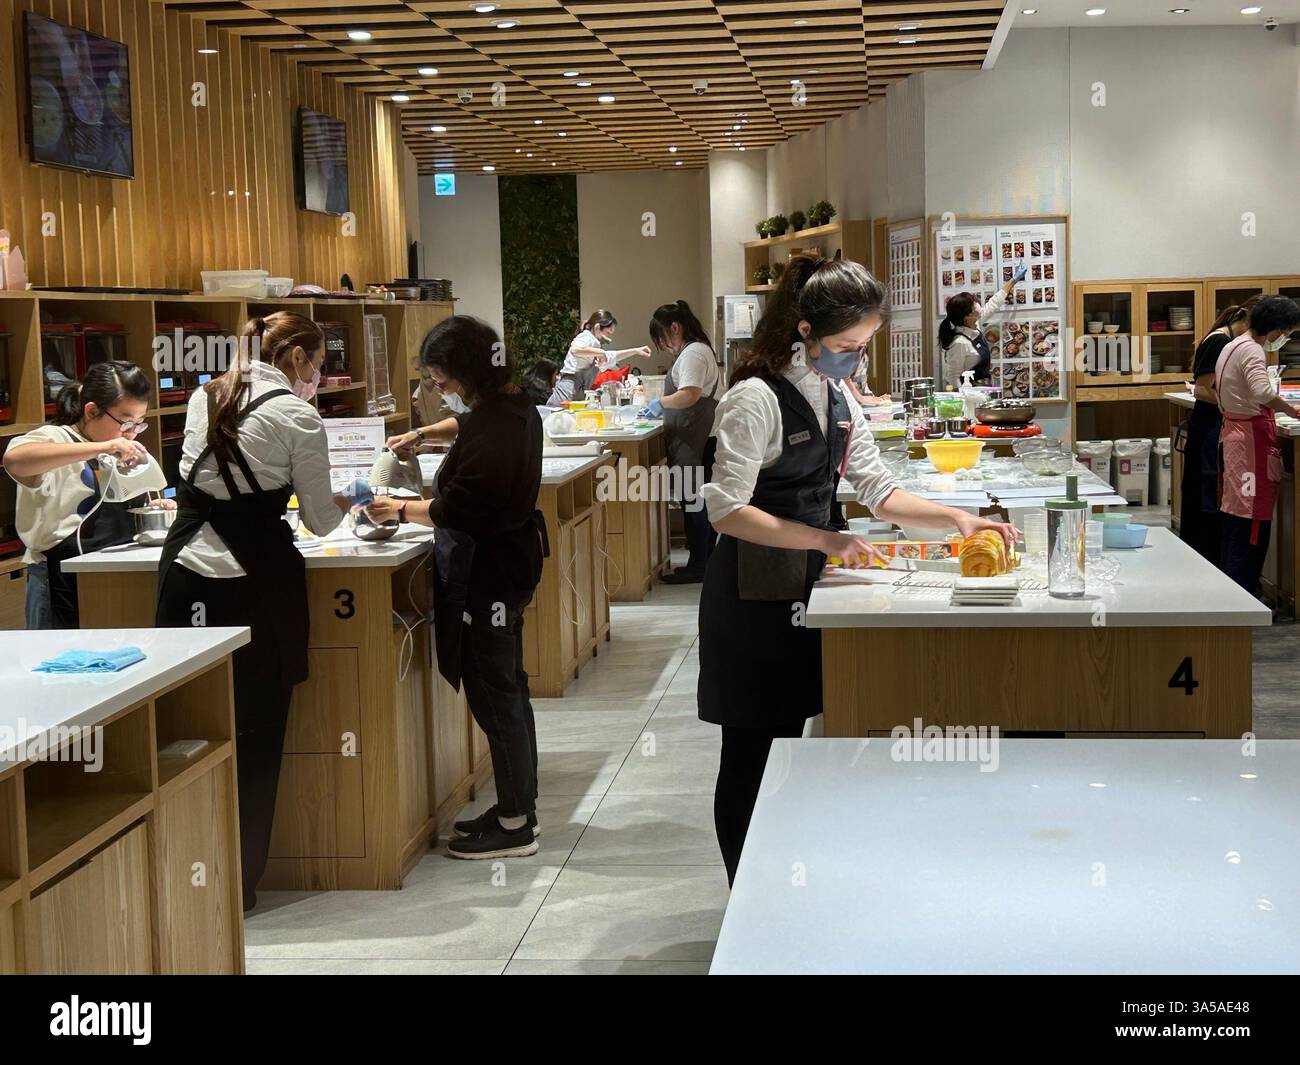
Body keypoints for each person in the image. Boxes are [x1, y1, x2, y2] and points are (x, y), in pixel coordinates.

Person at [699, 254, 1016, 886]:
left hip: (811, 591)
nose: (856, 360)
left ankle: (790, 878)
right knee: (755, 750)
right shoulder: (753, 399)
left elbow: (877, 489)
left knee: (804, 743)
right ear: (805, 330)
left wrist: (954, 519)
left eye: (864, 346)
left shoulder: (837, 392)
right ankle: (749, 897)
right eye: (848, 345)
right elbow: (726, 510)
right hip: (753, 596)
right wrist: (822, 537)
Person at [154, 313, 351, 911]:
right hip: (255, 584)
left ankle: (184, 878)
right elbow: (319, 519)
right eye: (316, 365)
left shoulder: (202, 396)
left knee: (184, 727)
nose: (317, 377)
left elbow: (201, 480)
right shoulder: (297, 415)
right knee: (257, 733)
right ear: (295, 359)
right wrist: (354, 498)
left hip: (185, 573)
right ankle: (240, 884)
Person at [365, 316, 546, 860]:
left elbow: (456, 509)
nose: (440, 393)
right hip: (507, 571)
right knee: (506, 687)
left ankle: (516, 823)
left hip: (490, 577)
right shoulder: (509, 406)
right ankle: (519, 805)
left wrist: (397, 507)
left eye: (443, 381)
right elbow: (466, 428)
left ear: (467, 373)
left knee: (495, 694)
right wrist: (421, 434)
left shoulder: (494, 429)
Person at [3, 361, 166, 628]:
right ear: (91, 411)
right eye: (126, 422)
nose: (131, 432)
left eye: (139, 423)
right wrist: (100, 447)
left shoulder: (118, 448)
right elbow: (15, 460)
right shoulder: (56, 437)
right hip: (59, 582)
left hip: (110, 583)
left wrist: (153, 510)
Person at [1214, 295, 1300, 594]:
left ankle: (1234, 589)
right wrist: (1291, 410)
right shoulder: (1252, 350)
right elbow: (1263, 392)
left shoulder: (1233, 344)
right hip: (1249, 446)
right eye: (1287, 331)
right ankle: (1244, 592)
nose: (1286, 338)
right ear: (1275, 328)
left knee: (1236, 518)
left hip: (1236, 438)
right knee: (1251, 522)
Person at [642, 299, 723, 583]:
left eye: (662, 337)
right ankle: (703, 561)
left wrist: (659, 403)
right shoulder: (697, 351)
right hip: (697, 439)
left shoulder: (693, 354)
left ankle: (699, 564)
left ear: (675, 327)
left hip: (696, 442)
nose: (663, 345)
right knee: (695, 501)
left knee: (694, 502)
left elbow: (690, 393)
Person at [1179, 298, 1260, 562]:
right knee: (1206, 497)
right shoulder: (1220, 341)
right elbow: (1203, 389)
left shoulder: (1227, 341)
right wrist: (1240, 401)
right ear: (1246, 319)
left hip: (1213, 427)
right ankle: (1205, 560)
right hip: (1208, 429)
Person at [939, 264, 1026, 389]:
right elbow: (952, 378)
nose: (978, 305)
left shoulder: (975, 324)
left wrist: (1014, 280)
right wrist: (965, 399)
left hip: (983, 389)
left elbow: (995, 302)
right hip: (970, 395)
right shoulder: (960, 343)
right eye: (974, 305)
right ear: (967, 317)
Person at [547, 310, 650, 406]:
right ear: (597, 327)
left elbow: (612, 356)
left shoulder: (595, 343)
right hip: (567, 389)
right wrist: (601, 353)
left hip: (579, 391)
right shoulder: (586, 336)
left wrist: (636, 351)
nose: (608, 337)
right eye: (608, 333)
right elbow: (575, 350)